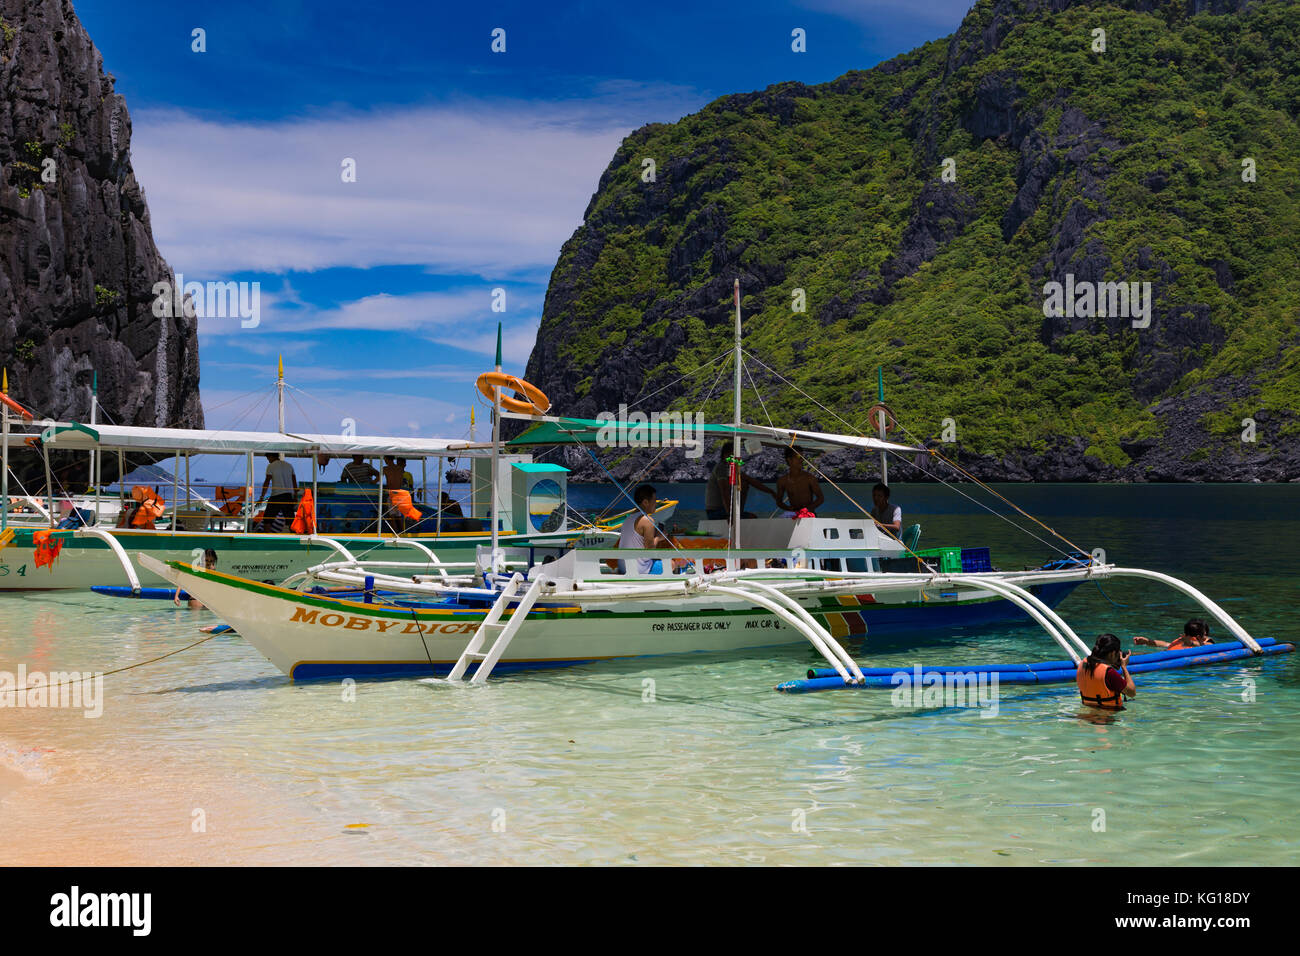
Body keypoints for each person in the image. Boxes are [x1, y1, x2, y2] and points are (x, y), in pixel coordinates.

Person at [704, 443, 775, 520]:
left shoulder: (731, 468)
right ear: (726, 454)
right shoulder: (721, 467)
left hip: (724, 510)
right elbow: (724, 491)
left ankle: (738, 512)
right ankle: (737, 514)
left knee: (744, 483)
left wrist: (771, 492)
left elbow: (751, 481)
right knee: (752, 517)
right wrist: (730, 515)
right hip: (715, 512)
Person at [617, 483, 671, 573]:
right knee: (672, 564)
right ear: (645, 502)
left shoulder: (629, 518)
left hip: (623, 568)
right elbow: (650, 551)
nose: (656, 503)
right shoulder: (647, 520)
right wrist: (658, 538)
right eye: (655, 499)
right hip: (638, 570)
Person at [1076, 633, 1136, 711]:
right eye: (1118, 652)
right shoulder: (1109, 673)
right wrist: (1124, 667)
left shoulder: (1083, 664)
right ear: (1112, 653)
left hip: (1087, 710)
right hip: (1107, 716)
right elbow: (1132, 692)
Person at [774, 447, 824, 517]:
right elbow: (779, 502)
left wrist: (807, 509)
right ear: (789, 460)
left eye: (802, 457)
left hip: (808, 515)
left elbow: (820, 498)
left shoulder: (810, 478)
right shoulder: (782, 481)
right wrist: (788, 508)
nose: (801, 460)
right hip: (793, 514)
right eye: (798, 457)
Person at [257, 453, 297, 533]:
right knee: (290, 520)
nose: (268, 461)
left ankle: (266, 538)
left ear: (272, 456)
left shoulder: (271, 466)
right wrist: (295, 496)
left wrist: (261, 497)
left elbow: (267, 481)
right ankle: (295, 538)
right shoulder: (289, 465)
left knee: (267, 520)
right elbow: (294, 481)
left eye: (268, 458)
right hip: (288, 495)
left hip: (276, 495)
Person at [1134, 618, 1212, 650]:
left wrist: (1190, 643)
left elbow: (1209, 646)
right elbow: (1165, 644)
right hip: (1164, 654)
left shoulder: (1207, 643)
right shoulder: (1183, 639)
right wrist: (1147, 641)